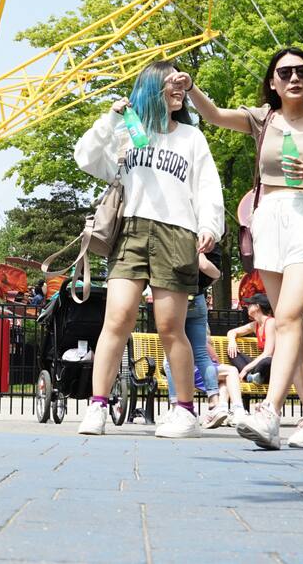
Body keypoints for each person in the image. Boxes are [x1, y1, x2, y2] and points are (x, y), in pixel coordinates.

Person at [179, 48, 303, 450]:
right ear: (273, 82)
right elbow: (214, 116)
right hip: (268, 219)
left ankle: (270, 412)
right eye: (285, 72)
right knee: (293, 327)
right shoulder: (264, 118)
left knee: (288, 316)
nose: (294, 78)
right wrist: (191, 86)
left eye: (302, 71)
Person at [74, 60, 225, 439]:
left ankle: (185, 410)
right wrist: (111, 118)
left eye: (180, 84)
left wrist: (209, 226)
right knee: (118, 317)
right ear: (150, 88)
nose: (177, 90)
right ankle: (97, 406)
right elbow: (87, 158)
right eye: (169, 83)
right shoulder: (129, 131)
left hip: (177, 232)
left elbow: (207, 187)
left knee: (170, 326)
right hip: (132, 229)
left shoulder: (191, 137)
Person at [162, 246, 228, 427]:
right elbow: (214, 272)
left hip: (179, 298)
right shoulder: (214, 244)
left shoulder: (189, 236)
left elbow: (203, 264)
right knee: (201, 354)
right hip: (198, 299)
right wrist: (210, 281)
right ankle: (215, 401)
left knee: (170, 358)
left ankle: (176, 406)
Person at [227, 294, 275, 385]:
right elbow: (232, 332)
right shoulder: (255, 324)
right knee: (232, 353)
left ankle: (252, 376)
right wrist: (232, 342)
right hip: (259, 367)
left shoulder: (271, 322)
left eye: (250, 304)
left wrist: (245, 369)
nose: (247, 306)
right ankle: (254, 377)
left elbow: (268, 353)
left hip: (274, 367)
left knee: (266, 361)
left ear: (257, 307)